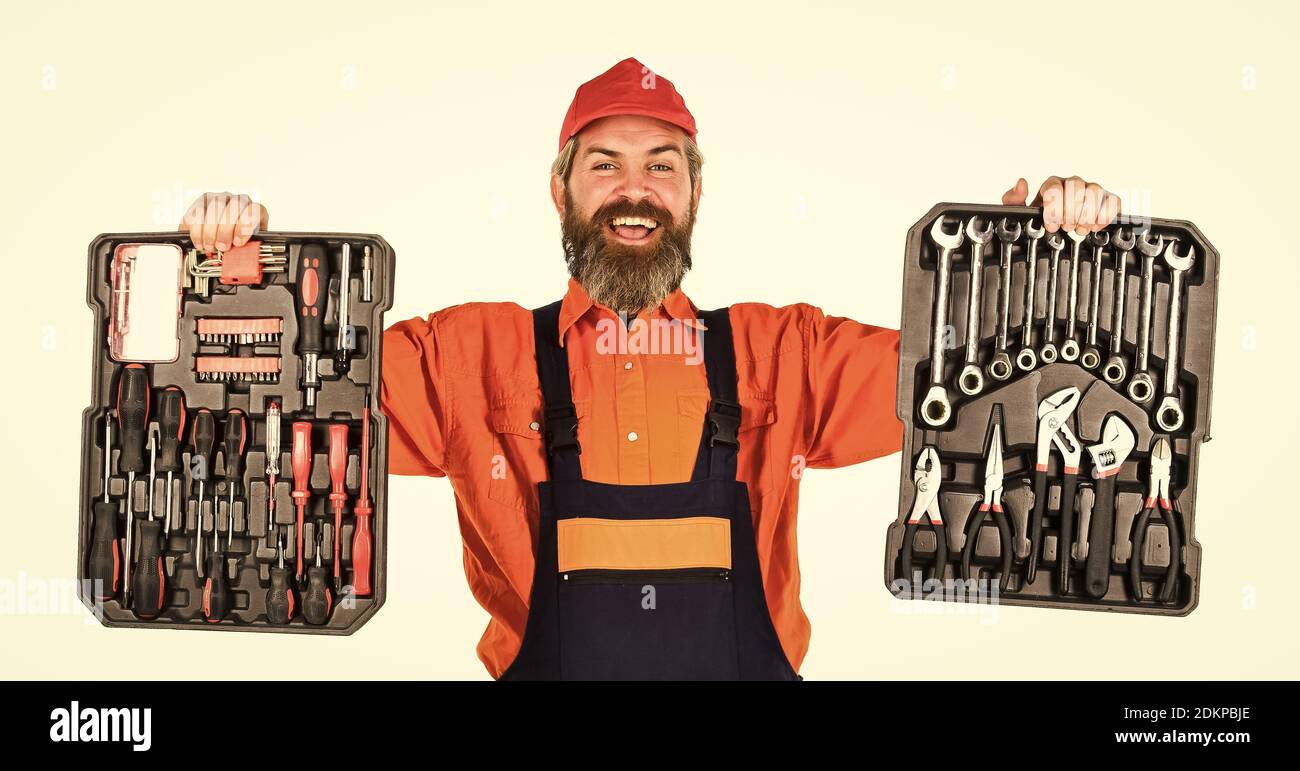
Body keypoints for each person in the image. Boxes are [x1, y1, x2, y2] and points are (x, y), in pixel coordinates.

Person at [181, 57, 1120, 679]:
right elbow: (277, 383)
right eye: (605, 165)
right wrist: (227, 264)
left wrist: (1039, 258)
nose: (635, 192)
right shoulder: (470, 354)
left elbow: (977, 385)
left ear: (695, 192)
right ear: (561, 187)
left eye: (662, 166)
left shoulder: (783, 353)